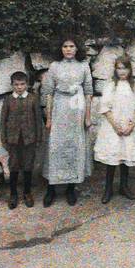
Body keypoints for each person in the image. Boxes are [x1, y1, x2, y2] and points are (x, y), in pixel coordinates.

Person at [41, 38, 92, 207]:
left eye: (71, 46)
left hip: (77, 109)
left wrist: (87, 116)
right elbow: (48, 93)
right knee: (56, 146)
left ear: (77, 49)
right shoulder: (54, 66)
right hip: (60, 107)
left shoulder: (83, 66)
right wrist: (49, 117)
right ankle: (51, 188)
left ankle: (71, 187)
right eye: (65, 46)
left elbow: (88, 92)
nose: (68, 49)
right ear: (60, 49)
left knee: (74, 146)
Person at [94, 54, 135, 204]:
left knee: (126, 156)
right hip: (113, 127)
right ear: (115, 70)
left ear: (130, 69)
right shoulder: (111, 85)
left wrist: (131, 125)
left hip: (130, 126)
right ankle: (108, 189)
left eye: (125, 68)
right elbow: (105, 107)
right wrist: (116, 125)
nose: (122, 72)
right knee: (113, 157)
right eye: (119, 68)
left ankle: (124, 186)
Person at [0, 70, 42, 209]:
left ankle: (27, 193)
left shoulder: (32, 99)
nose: (19, 87)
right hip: (13, 139)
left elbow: (38, 120)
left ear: (27, 84)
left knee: (28, 166)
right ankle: (13, 194)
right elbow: (3, 121)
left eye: (22, 84)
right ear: (12, 85)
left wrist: (38, 139)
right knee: (13, 167)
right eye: (16, 84)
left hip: (29, 139)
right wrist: (4, 139)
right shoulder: (8, 100)